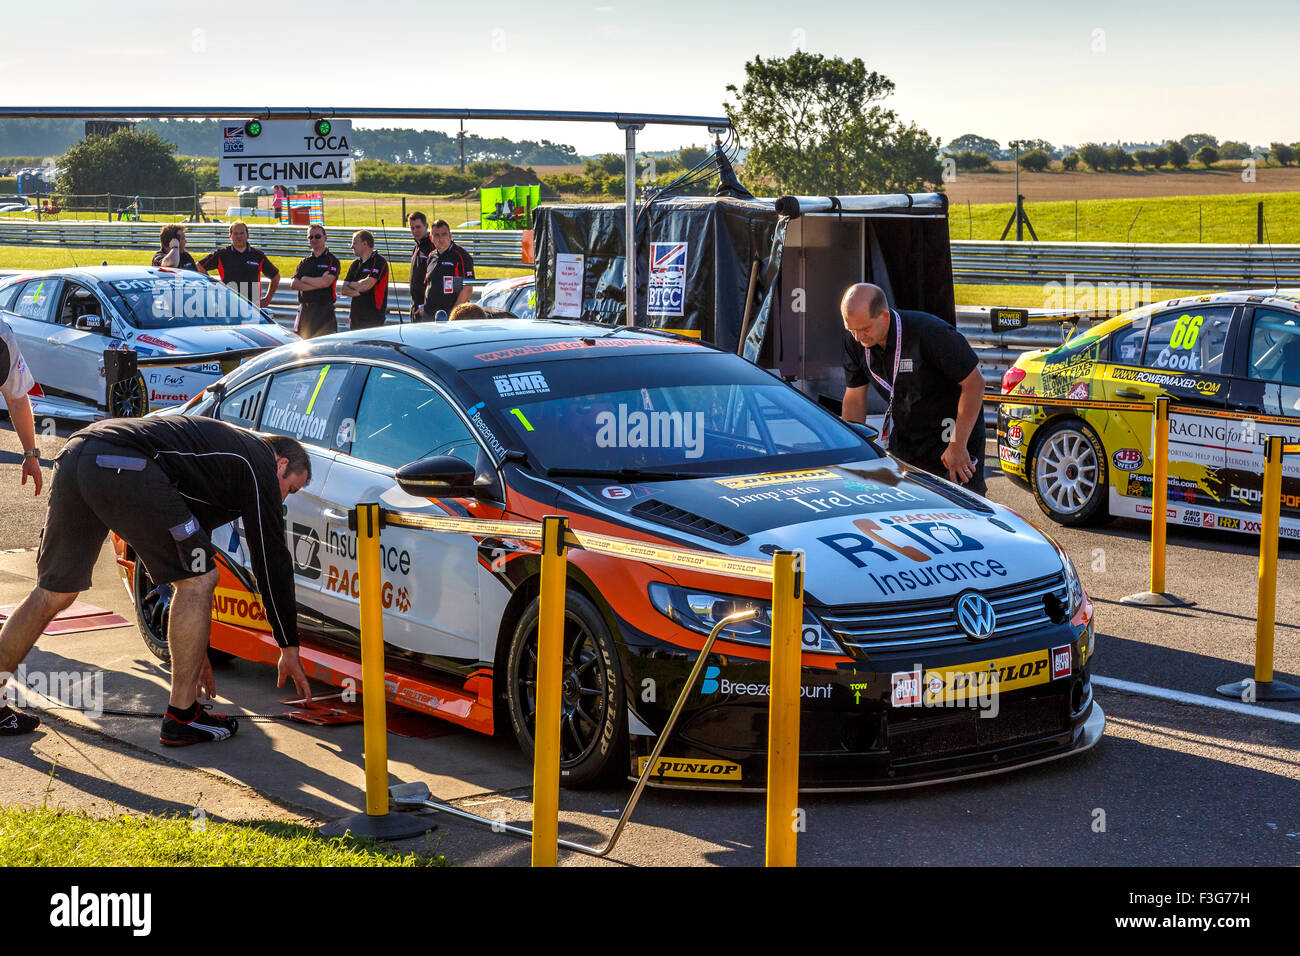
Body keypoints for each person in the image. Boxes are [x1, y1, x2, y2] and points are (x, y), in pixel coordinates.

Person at [0, 416, 313, 743]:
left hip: (77, 454)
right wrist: (288, 645)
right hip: (121, 462)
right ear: (281, 463)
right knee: (200, 579)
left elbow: (187, 543)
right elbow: (270, 557)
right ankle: (182, 716)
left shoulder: (224, 456)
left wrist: (196, 649)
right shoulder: (258, 462)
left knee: (53, 593)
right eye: (290, 488)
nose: (283, 500)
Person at [840, 282, 987, 494]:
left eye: (864, 329)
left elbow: (974, 383)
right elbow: (854, 397)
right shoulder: (854, 342)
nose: (858, 337)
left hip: (951, 435)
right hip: (907, 436)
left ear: (885, 316)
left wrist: (958, 445)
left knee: (960, 507)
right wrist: (853, 453)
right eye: (851, 329)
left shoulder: (930, 333)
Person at [196, 220, 281, 310]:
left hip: (252, 306)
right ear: (230, 236)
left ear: (247, 235)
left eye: (242, 233)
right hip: (228, 304)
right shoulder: (222, 254)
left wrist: (267, 299)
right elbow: (199, 266)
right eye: (235, 233)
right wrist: (215, 287)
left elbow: (276, 276)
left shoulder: (257, 255)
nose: (239, 236)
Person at [289, 225, 341, 338]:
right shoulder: (304, 262)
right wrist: (318, 282)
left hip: (324, 312)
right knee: (304, 349)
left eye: (317, 236)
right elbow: (294, 284)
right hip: (306, 312)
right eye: (311, 237)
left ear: (325, 238)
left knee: (325, 349)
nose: (314, 239)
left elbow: (326, 283)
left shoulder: (332, 260)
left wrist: (305, 279)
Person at [420, 219, 473, 322]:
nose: (441, 239)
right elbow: (428, 284)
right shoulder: (431, 256)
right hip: (429, 315)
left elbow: (467, 288)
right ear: (431, 238)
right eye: (437, 235)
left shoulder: (461, 256)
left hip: (451, 316)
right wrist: (424, 306)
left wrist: (453, 315)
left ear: (450, 235)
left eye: (444, 234)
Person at [339, 230, 389, 331]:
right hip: (355, 318)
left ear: (365, 243)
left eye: (354, 243)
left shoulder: (379, 261)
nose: (352, 246)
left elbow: (366, 286)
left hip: (373, 319)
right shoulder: (355, 264)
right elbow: (344, 289)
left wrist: (352, 285)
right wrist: (358, 290)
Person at [407, 212, 434, 321]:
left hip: (427, 308)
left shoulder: (433, 246)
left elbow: (434, 279)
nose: (415, 231)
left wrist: (426, 305)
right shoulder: (416, 247)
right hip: (415, 305)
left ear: (426, 226)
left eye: (418, 227)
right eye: (412, 228)